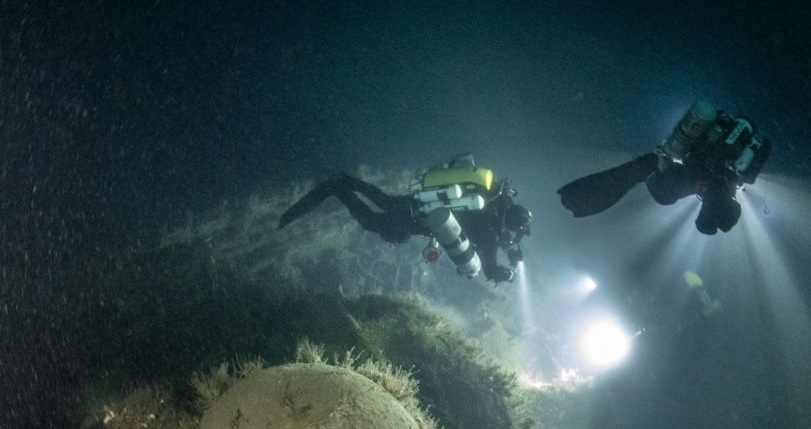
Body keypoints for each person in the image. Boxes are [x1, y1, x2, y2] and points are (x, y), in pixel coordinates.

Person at [278, 154, 531, 283]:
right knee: (371, 221)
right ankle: (339, 188)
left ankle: (344, 181)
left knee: (384, 201)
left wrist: (508, 244)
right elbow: (489, 268)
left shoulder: (489, 204)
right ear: (512, 224)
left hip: (420, 205)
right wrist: (507, 275)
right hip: (417, 220)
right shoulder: (490, 232)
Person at [557, 100, 772, 234]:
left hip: (693, 168)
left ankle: (577, 198)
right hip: (695, 170)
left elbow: (704, 179)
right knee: (661, 191)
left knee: (659, 189)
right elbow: (704, 178)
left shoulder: (730, 179)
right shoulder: (726, 179)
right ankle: (577, 199)